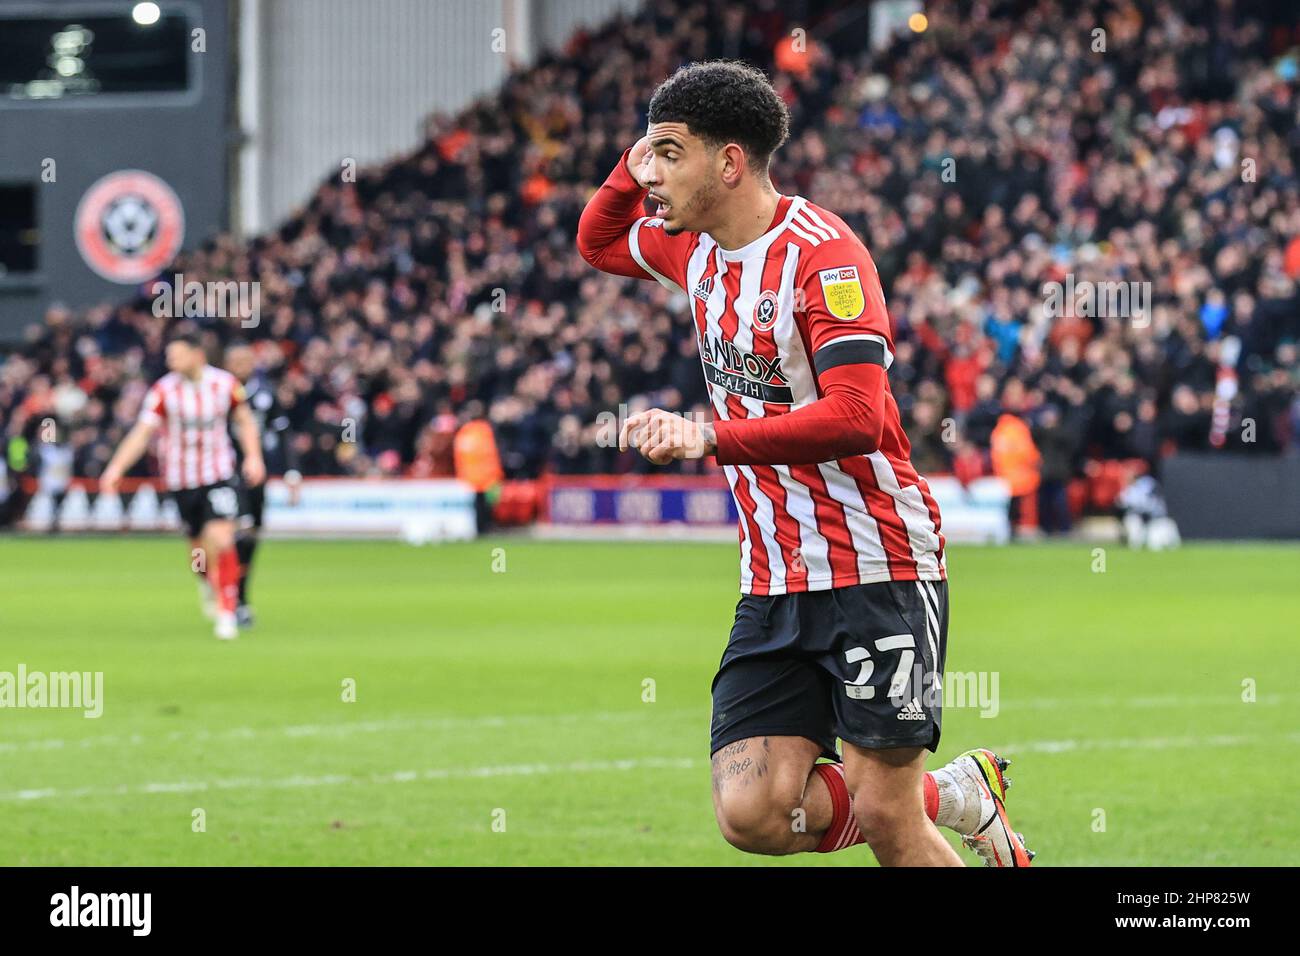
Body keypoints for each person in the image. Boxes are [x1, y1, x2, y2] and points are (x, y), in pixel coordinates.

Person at [577, 61, 1032, 866]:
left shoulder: (825, 257)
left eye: (670, 155)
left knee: (887, 818)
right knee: (752, 813)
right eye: (651, 155)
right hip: (774, 575)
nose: (653, 176)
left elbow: (858, 416)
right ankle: (957, 793)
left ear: (730, 163)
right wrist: (635, 155)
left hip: (876, 564)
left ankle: (935, 800)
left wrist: (710, 437)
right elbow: (597, 240)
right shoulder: (695, 253)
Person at [100, 331, 266, 640]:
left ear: (196, 355)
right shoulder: (163, 391)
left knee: (223, 537)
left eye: (176, 354)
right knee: (199, 553)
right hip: (180, 479)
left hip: (218, 474)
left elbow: (244, 420)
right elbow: (142, 432)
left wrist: (254, 457)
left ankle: (228, 612)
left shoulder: (225, 384)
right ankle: (207, 583)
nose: (170, 360)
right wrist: (117, 466)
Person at [223, 343, 286, 628]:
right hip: (224, 474)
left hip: (256, 474)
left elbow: (283, 432)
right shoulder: (217, 393)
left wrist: (292, 472)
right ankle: (234, 598)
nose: (242, 366)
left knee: (252, 536)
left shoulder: (265, 394)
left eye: (247, 361)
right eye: (236, 361)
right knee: (240, 532)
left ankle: (239, 596)